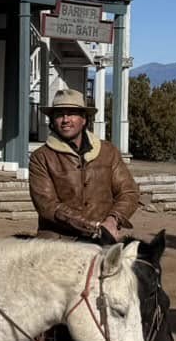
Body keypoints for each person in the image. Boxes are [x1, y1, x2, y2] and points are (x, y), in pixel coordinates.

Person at [28, 87, 142, 242]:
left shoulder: (108, 151)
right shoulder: (41, 157)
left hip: (104, 237)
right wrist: (93, 226)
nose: (65, 119)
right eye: (59, 114)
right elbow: (47, 206)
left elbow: (129, 192)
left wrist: (112, 220)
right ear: (53, 121)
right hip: (57, 241)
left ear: (84, 119)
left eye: (72, 113)